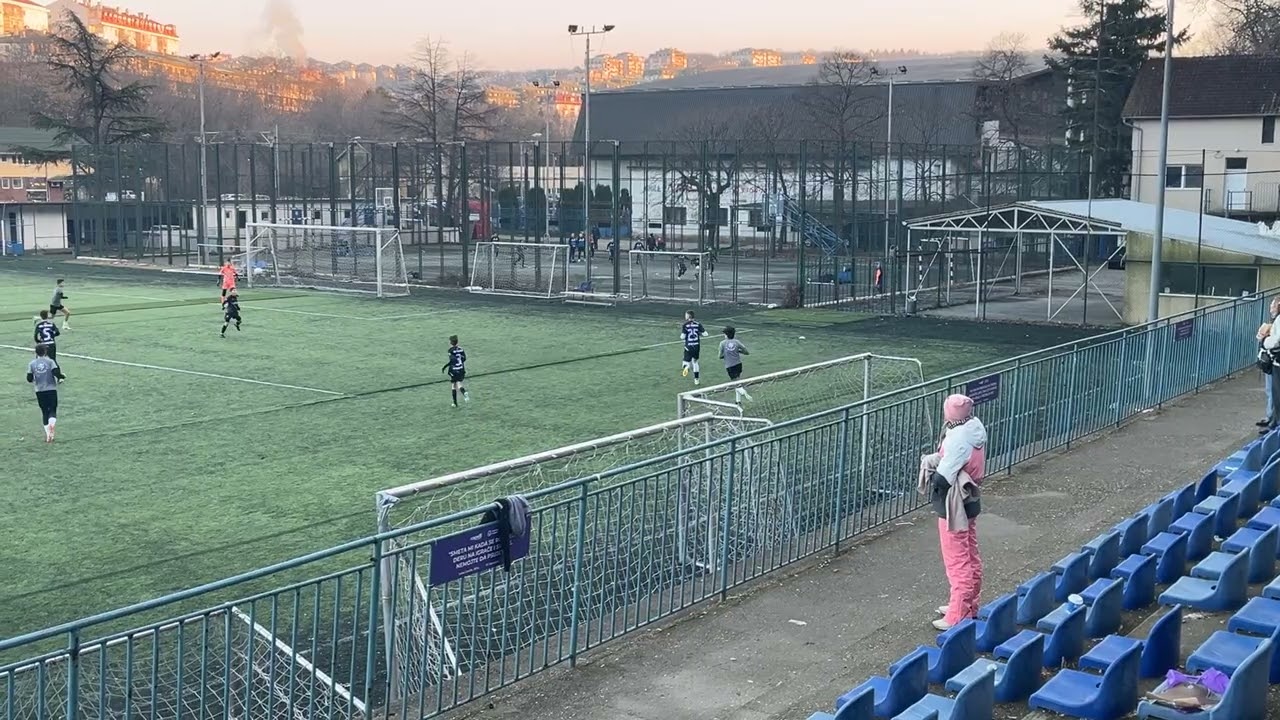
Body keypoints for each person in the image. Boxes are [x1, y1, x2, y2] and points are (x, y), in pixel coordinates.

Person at [919, 394, 988, 631]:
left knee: (956, 558)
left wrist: (933, 474)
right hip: (971, 499)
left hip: (954, 503)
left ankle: (958, 613)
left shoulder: (957, 437)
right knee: (970, 553)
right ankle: (968, 604)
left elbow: (944, 476)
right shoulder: (974, 427)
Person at [27, 344, 66, 443]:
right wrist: (62, 376)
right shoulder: (50, 361)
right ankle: (52, 425)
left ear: (36, 352)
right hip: (51, 389)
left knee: (44, 411)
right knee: (52, 409)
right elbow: (56, 372)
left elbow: (29, 378)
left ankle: (48, 434)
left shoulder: (32, 364)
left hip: (39, 390)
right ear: (45, 352)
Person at [1259, 296, 1280, 430]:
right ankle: (1273, 420)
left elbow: (1276, 341)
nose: (1271, 308)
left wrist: (1264, 341)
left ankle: (1275, 423)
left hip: (1277, 362)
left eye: (1273, 305)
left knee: (1276, 392)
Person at [718, 326, 753, 401]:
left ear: (726, 335)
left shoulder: (722, 343)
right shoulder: (737, 342)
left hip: (730, 366)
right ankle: (738, 401)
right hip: (738, 364)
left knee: (736, 383)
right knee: (738, 381)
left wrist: (726, 354)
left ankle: (744, 393)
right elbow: (746, 352)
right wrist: (738, 351)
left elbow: (720, 356)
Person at [441, 334, 469, 407]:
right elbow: (464, 358)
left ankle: (455, 403)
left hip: (454, 370)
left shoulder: (450, 350)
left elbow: (452, 360)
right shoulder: (461, 349)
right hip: (461, 369)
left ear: (450, 342)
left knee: (453, 385)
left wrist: (445, 366)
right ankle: (464, 393)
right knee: (459, 383)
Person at [680, 310, 706, 385]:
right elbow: (705, 334)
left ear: (688, 316)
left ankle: (687, 367)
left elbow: (682, 337)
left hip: (688, 346)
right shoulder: (698, 324)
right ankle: (696, 380)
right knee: (695, 362)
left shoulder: (685, 325)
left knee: (685, 363)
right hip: (696, 346)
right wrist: (698, 333)